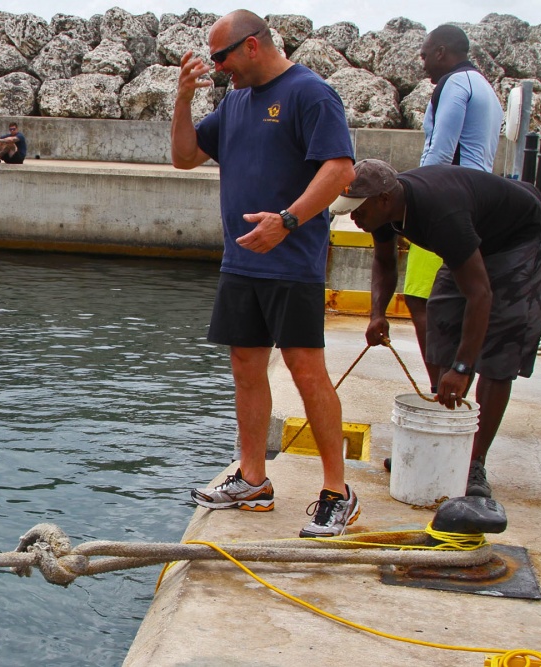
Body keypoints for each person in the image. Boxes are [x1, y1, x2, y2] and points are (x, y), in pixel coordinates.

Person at [171, 10, 359, 538]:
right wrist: (183, 99)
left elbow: (340, 168)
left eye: (222, 57)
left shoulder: (310, 93)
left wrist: (289, 221)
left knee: (306, 369)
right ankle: (253, 478)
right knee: (245, 366)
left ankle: (336, 491)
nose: (218, 68)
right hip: (241, 261)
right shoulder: (234, 102)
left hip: (292, 261)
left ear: (251, 46)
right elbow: (185, 157)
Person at [333, 159, 541, 498]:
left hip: (518, 240)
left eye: (357, 211)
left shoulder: (441, 215)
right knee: (441, 316)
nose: (353, 218)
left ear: (383, 200)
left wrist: (462, 368)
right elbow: (385, 261)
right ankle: (445, 441)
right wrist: (377, 313)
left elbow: (480, 294)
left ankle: (474, 462)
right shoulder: (379, 211)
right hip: (474, 239)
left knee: (499, 346)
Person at [403, 24, 503, 393]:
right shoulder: (486, 88)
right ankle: (451, 381)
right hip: (477, 199)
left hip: (446, 203)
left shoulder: (454, 85)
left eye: (426, 54)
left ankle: (441, 389)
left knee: (420, 298)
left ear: (443, 52)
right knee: (459, 299)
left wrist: (410, 193)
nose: (423, 62)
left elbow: (440, 152)